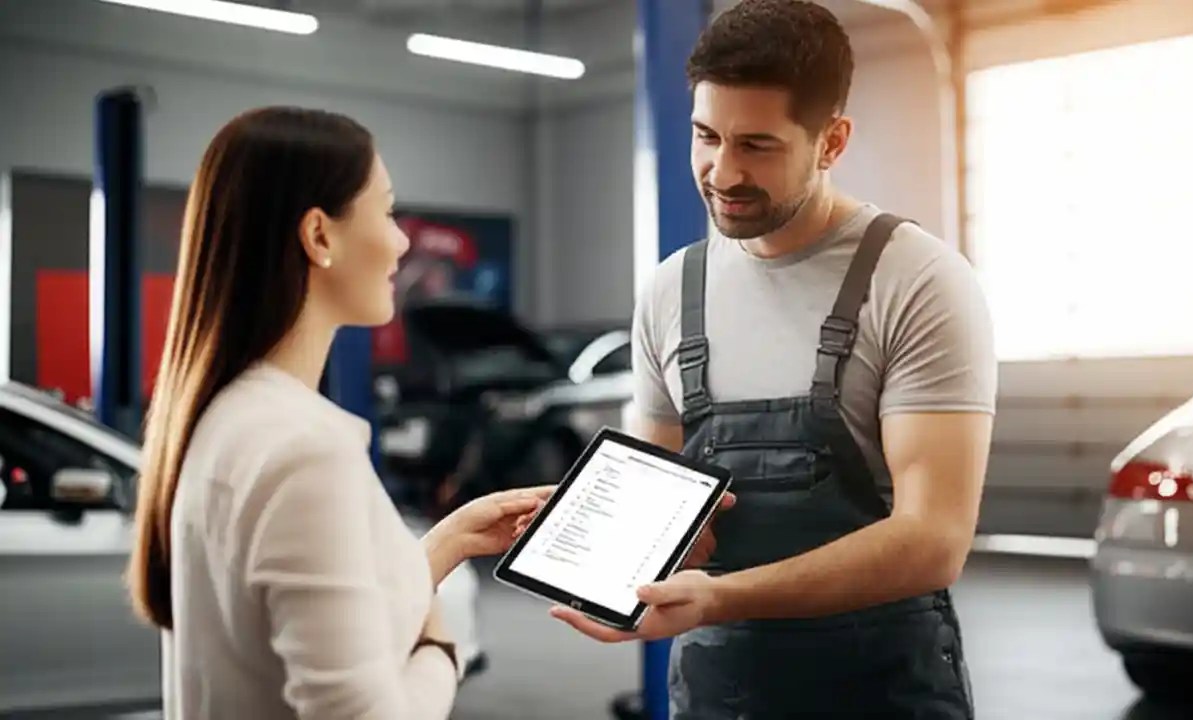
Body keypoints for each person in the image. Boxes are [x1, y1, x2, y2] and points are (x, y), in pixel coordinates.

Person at [550, 0, 997, 717]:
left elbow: (932, 540)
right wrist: (593, 536)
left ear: (832, 141)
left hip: (882, 689)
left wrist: (722, 596)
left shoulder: (916, 280)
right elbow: (650, 493)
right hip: (718, 686)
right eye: (706, 136)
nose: (722, 172)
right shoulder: (671, 291)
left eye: (757, 145)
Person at [126, 106, 550, 720]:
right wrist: (440, 648)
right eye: (386, 210)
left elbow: (299, 623)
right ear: (320, 235)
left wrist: (449, 541)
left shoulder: (219, 416)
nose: (402, 240)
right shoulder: (304, 448)